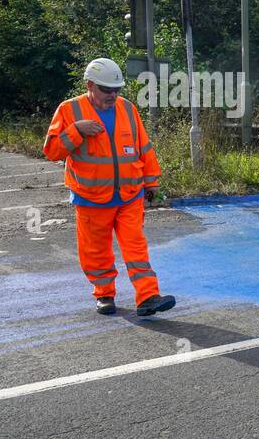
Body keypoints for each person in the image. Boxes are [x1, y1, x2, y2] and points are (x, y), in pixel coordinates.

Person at [42, 58, 176, 317]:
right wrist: (76, 130)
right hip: (91, 198)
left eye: (117, 89)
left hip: (129, 195)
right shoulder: (70, 110)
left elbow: (144, 147)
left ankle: (148, 296)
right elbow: (52, 151)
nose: (113, 95)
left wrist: (152, 182)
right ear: (90, 85)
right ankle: (104, 294)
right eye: (106, 89)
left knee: (136, 247)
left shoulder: (127, 109)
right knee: (96, 251)